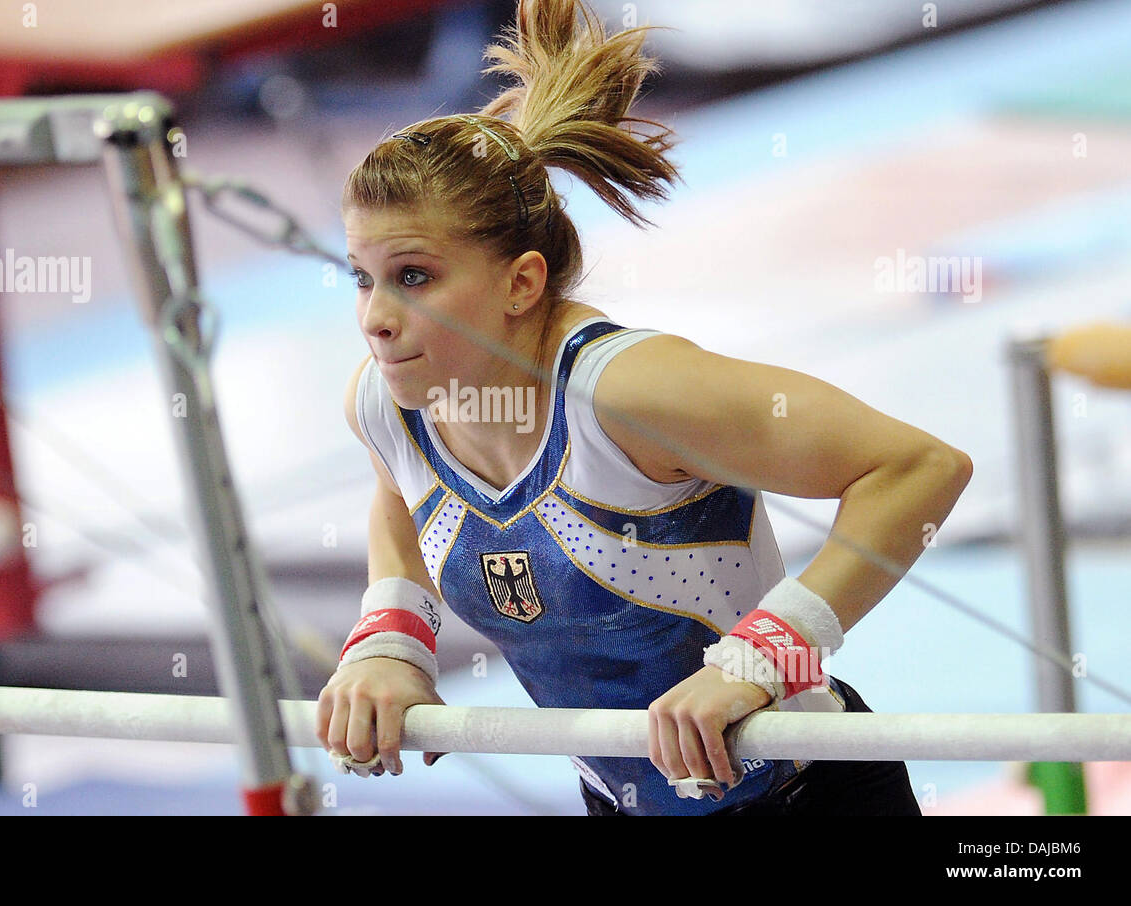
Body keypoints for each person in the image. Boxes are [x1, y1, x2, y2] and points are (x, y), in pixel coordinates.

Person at [316, 0, 971, 815]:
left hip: (807, 795)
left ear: (521, 282)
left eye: (413, 276)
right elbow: (400, 502)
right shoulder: (386, 405)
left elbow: (920, 468)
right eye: (361, 276)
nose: (375, 316)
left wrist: (764, 658)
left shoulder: (628, 394)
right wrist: (392, 637)